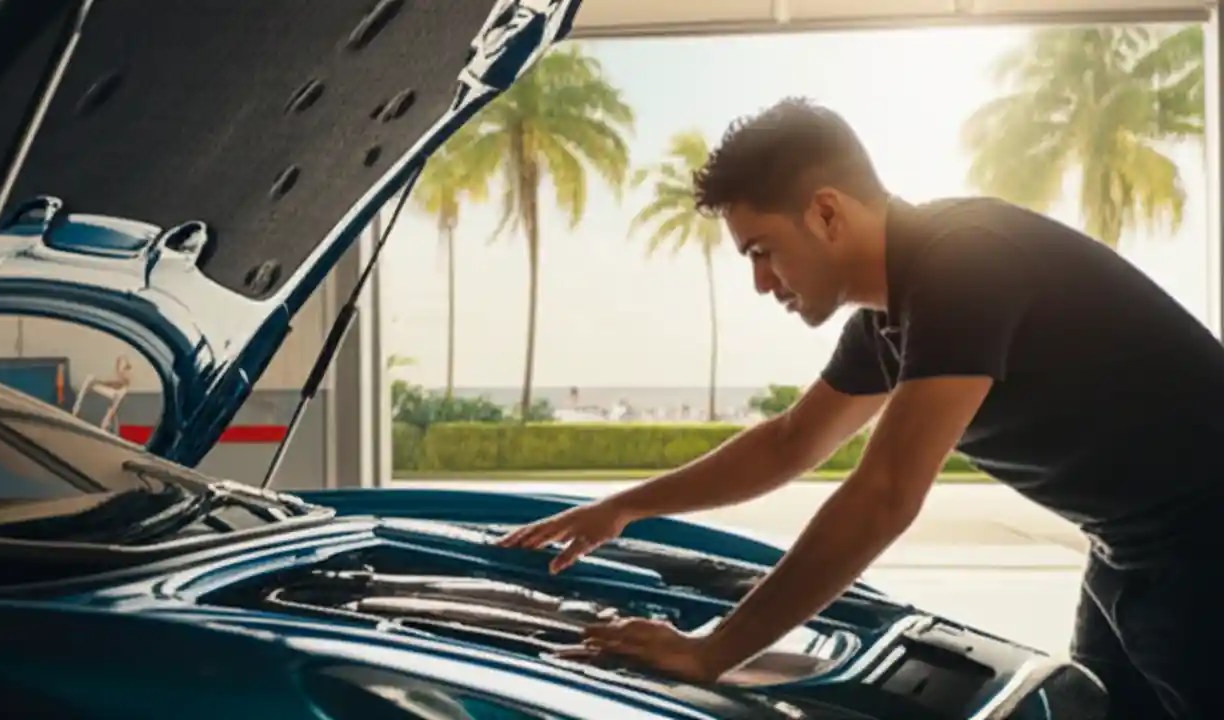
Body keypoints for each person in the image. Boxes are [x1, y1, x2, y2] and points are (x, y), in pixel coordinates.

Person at [496, 96, 1223, 719]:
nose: (759, 282)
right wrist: (625, 507)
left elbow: (884, 495)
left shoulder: (965, 264)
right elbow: (789, 443)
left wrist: (712, 652)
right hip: (1128, 544)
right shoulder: (888, 320)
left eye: (762, 250)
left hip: (1204, 542)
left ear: (825, 213)